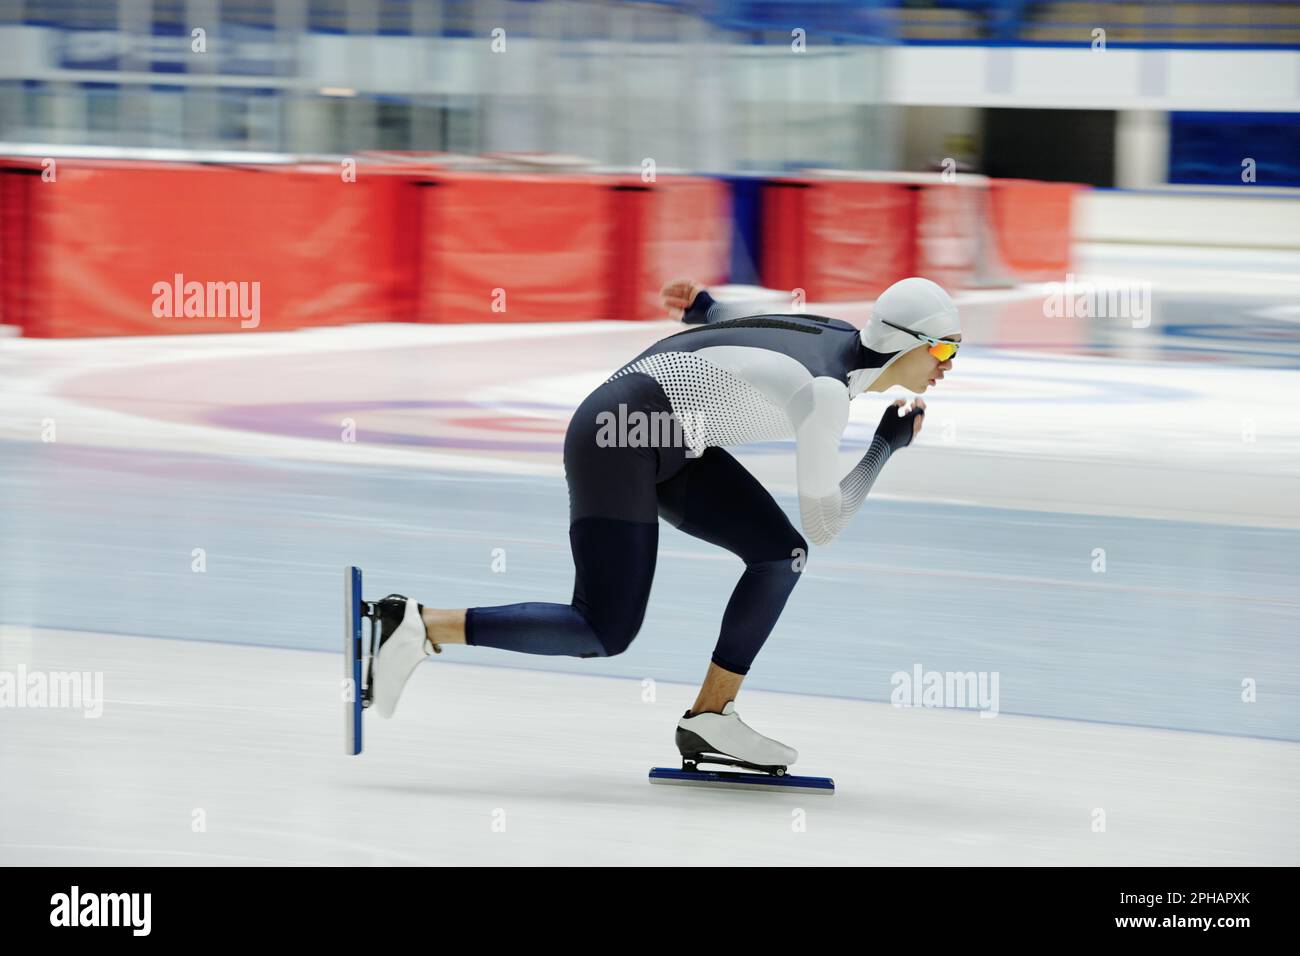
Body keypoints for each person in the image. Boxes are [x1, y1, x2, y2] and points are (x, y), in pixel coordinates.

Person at [364, 276, 961, 772]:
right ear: (905, 342)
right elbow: (826, 521)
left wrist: (702, 308)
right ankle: (418, 625)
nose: (947, 366)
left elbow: (737, 321)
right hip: (618, 436)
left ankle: (710, 719)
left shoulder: (839, 336)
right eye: (941, 350)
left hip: (672, 441)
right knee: (603, 628)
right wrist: (884, 447)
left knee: (783, 554)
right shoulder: (825, 392)